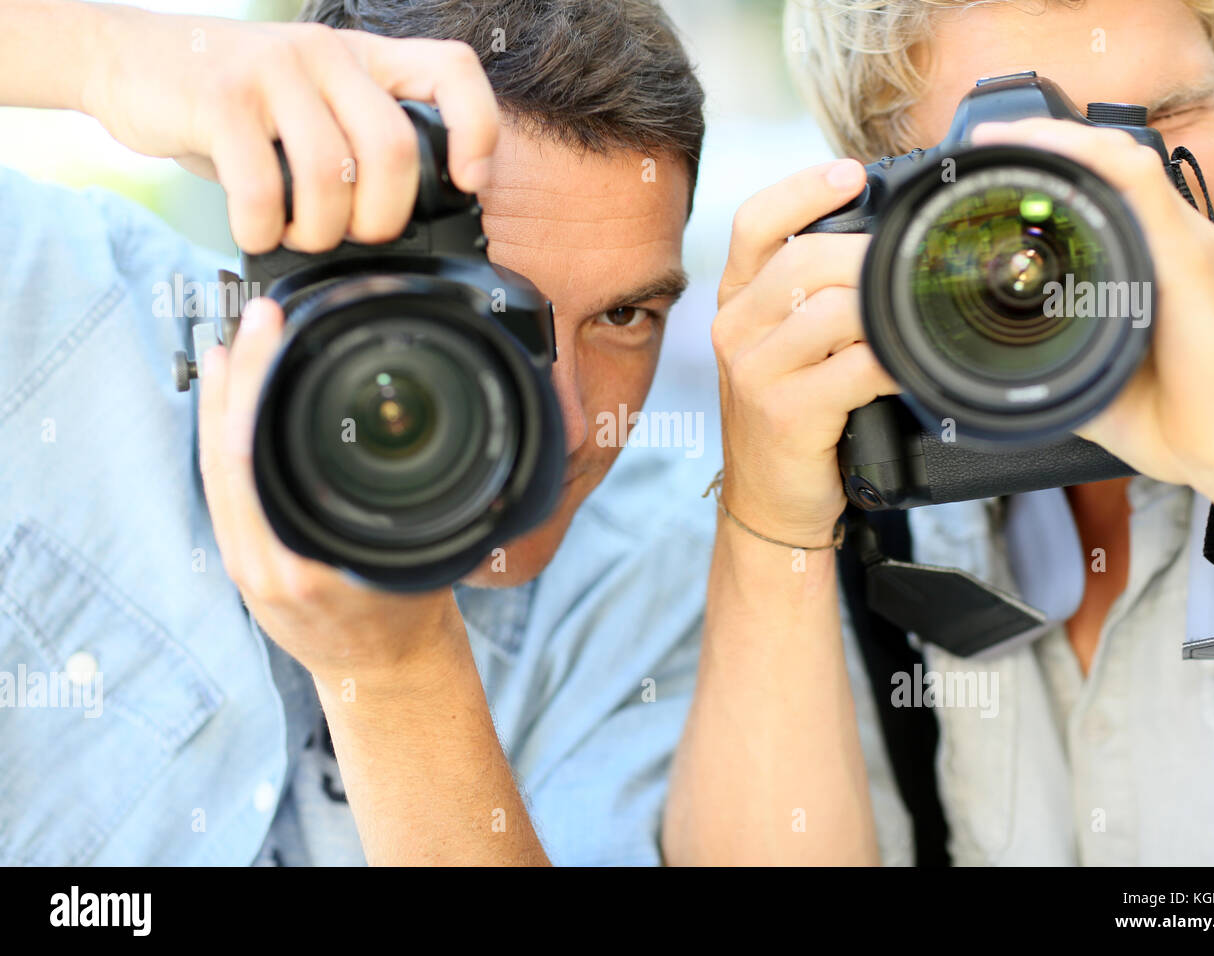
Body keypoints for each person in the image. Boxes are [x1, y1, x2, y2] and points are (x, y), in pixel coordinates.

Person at [0, 0, 709, 865]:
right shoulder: (53, 319)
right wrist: (99, 55)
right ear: (306, 255)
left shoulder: (649, 589)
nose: (563, 422)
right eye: (486, 319)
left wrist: (396, 680)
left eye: (626, 314)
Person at [666, 0, 1214, 865]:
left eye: (1154, 123)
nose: (1120, 207)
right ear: (881, 206)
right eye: (1017, 180)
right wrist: (772, 530)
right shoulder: (866, 473)